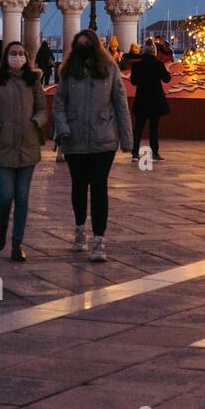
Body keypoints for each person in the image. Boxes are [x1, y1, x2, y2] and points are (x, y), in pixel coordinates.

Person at [53, 29, 132, 262]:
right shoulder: (68, 73)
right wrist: (63, 129)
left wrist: (127, 139)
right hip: (74, 139)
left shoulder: (109, 70)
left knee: (99, 187)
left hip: (104, 139)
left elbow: (120, 104)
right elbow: (58, 104)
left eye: (87, 44)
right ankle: (80, 229)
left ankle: (99, 240)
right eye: (80, 44)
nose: (83, 47)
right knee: (79, 186)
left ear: (96, 46)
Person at [0, 40, 48, 262]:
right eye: (13, 53)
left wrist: (36, 122)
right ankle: (2, 226)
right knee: (6, 195)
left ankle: (17, 243)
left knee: (23, 196)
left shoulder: (33, 80)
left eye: (20, 53)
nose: (17, 57)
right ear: (5, 57)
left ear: (26, 58)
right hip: (4, 147)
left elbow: (43, 109)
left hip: (28, 145)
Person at [129, 39, 171, 162]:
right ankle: (155, 153)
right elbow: (167, 79)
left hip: (141, 99)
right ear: (154, 51)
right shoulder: (158, 64)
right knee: (154, 128)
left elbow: (133, 81)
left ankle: (135, 153)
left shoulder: (137, 65)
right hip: (155, 100)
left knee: (138, 128)